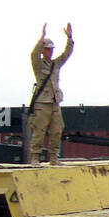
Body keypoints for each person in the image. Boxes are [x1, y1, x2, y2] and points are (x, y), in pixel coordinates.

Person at [27, 22, 73, 164]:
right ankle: (35, 157)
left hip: (54, 101)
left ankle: (53, 157)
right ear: (43, 50)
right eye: (47, 49)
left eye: (51, 49)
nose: (50, 52)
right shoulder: (39, 65)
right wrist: (42, 37)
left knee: (57, 130)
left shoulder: (55, 64)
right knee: (39, 130)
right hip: (42, 103)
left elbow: (66, 54)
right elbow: (33, 54)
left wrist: (69, 38)